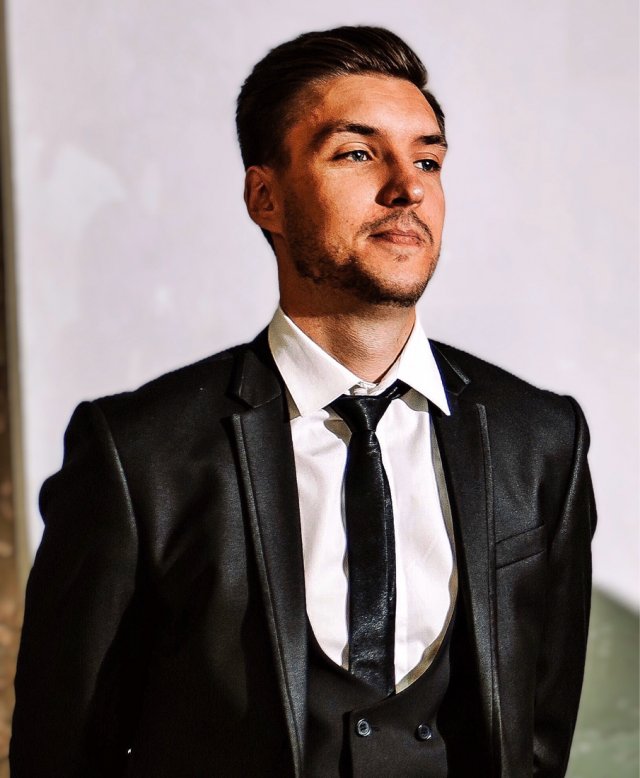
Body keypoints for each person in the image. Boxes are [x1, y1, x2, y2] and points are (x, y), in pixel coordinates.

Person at [10, 25, 595, 778]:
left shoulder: (540, 439)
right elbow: (61, 753)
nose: (408, 187)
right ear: (266, 198)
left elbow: (540, 738)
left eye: (427, 159)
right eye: (357, 153)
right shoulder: (137, 454)